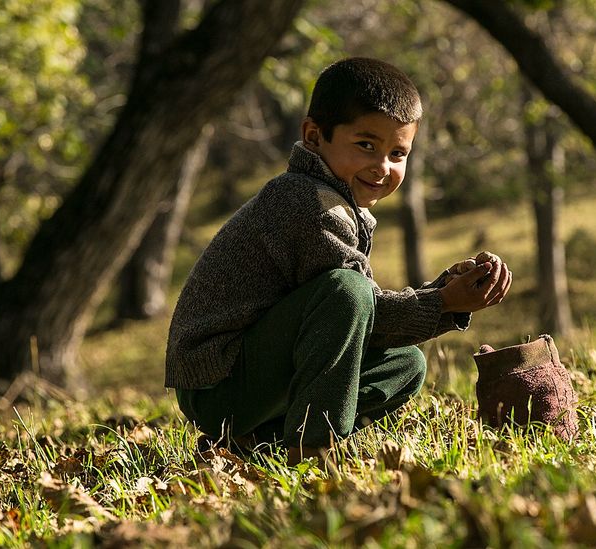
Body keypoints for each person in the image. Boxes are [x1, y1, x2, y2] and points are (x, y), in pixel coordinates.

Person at [165, 57, 512, 464]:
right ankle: (313, 447)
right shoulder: (305, 202)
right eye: (366, 145)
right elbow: (355, 304)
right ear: (314, 136)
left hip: (251, 377)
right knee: (346, 289)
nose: (382, 167)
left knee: (404, 365)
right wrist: (443, 302)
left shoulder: (335, 198)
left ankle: (254, 444)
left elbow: (357, 320)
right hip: (218, 383)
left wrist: (443, 293)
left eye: (398, 153)